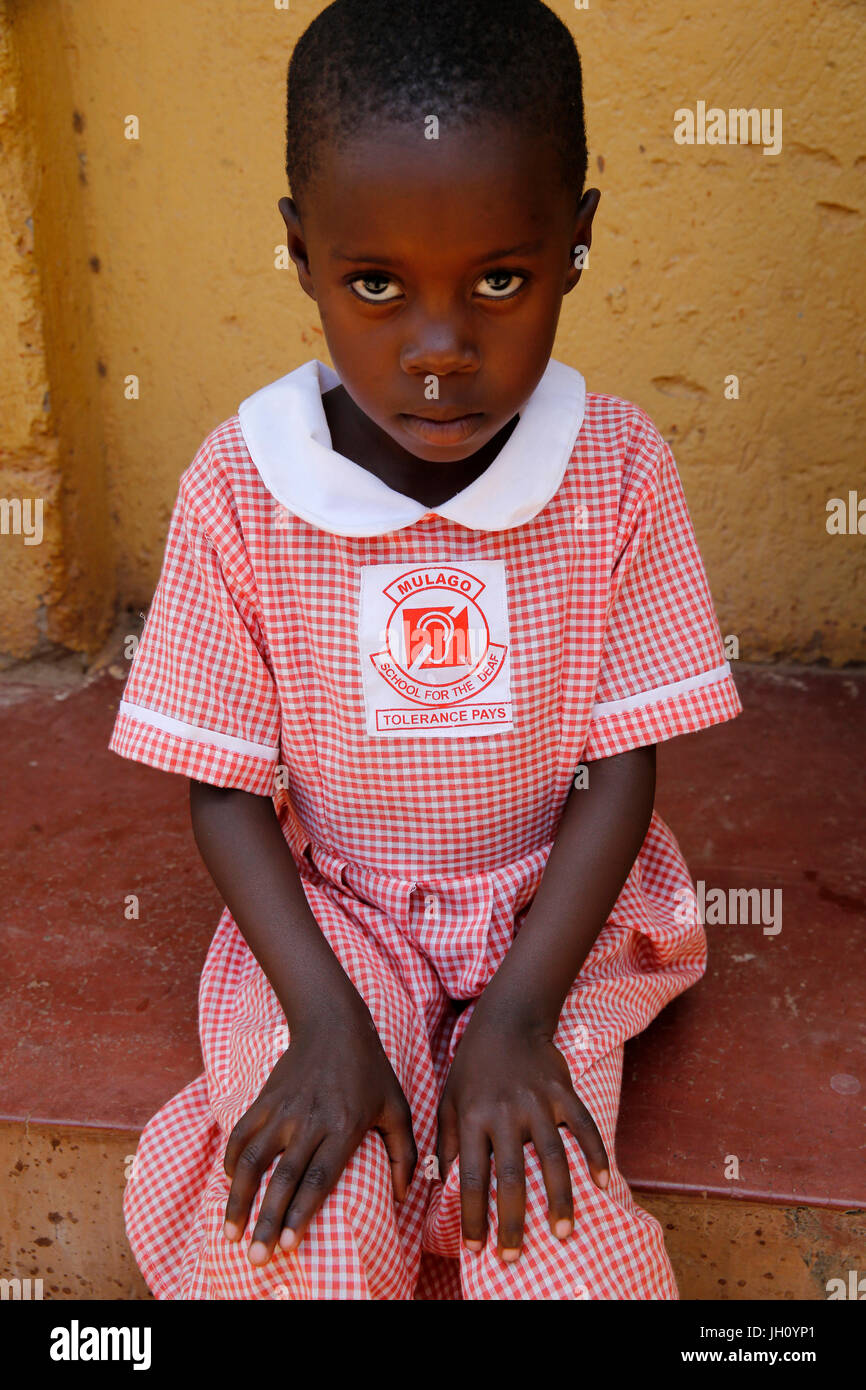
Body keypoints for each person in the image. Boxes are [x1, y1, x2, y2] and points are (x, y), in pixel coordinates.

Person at [109, 0, 742, 1300]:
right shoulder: (242, 487)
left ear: (574, 247)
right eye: (376, 283)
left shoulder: (615, 471)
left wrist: (518, 1011)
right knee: (310, 1209)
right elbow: (224, 784)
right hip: (332, 918)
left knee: (543, 1204)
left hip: (551, 909)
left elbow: (618, 772)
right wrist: (326, 1015)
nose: (440, 350)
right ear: (301, 252)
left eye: (499, 280)